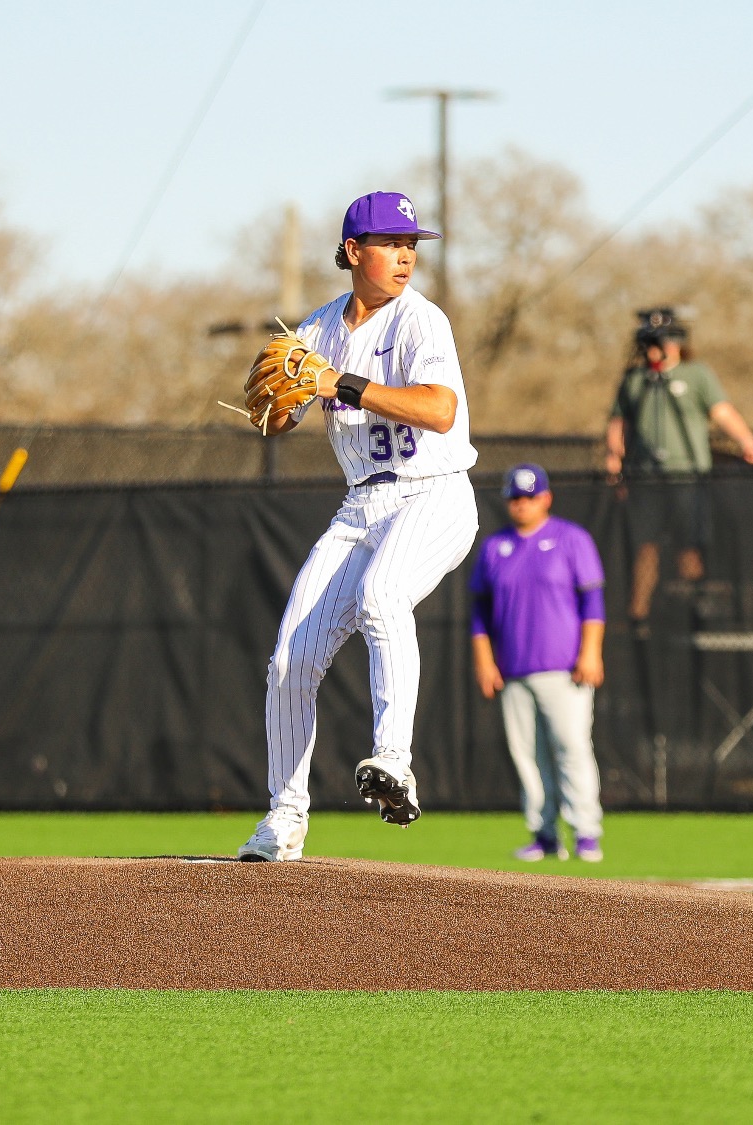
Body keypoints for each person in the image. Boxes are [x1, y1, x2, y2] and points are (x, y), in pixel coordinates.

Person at [237, 191, 479, 862]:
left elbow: (436, 409)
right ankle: (284, 818)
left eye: (411, 245)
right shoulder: (317, 328)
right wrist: (278, 401)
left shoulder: (421, 320)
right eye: (390, 243)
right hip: (361, 506)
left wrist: (339, 384)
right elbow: (277, 420)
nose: (405, 256)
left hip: (433, 493)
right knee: (290, 659)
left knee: (381, 596)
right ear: (352, 252)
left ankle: (394, 763)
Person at [470, 464, 608, 862]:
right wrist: (485, 661)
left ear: (546, 498)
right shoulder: (495, 548)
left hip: (564, 667)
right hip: (513, 669)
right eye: (515, 497)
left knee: (572, 748)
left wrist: (591, 651)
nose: (522, 504)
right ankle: (544, 834)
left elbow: (592, 602)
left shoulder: (571, 539)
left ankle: (586, 831)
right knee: (528, 757)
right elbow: (480, 613)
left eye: (529, 496)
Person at [602, 308, 753, 626]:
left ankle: (692, 609)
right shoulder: (634, 380)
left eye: (660, 341)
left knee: (689, 544)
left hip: (689, 476)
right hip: (646, 478)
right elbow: (617, 421)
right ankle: (640, 616)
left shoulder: (696, 374)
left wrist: (747, 440)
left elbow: (722, 411)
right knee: (646, 547)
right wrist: (614, 458)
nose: (654, 349)